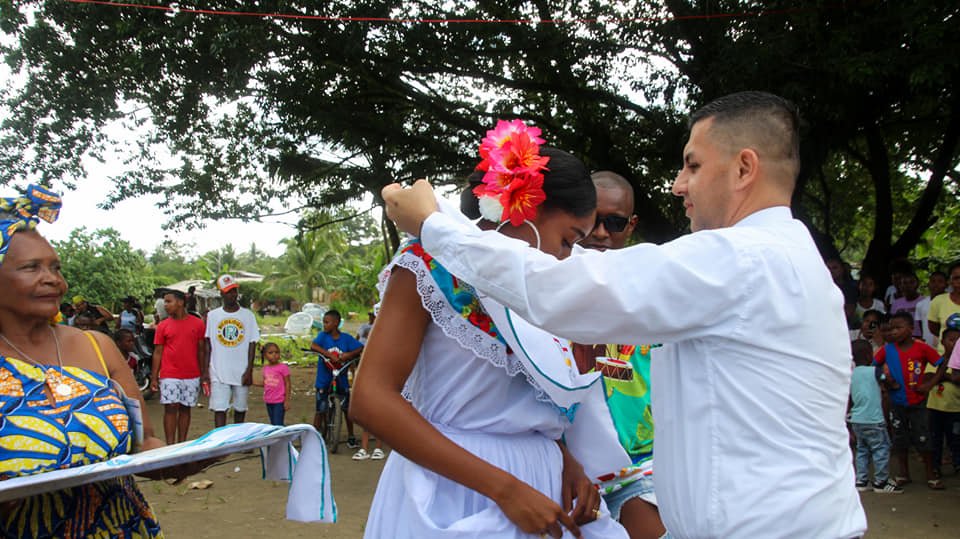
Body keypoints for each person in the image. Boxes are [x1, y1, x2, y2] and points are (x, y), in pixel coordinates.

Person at [382, 92, 867, 537]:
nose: (678, 186)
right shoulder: (785, 258)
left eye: (693, 166)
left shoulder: (741, 259)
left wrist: (434, 224)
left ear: (744, 169)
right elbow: (587, 272)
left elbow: (565, 288)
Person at [355, 125, 627, 539]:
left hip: (539, 491)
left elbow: (523, 405)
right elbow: (371, 399)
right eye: (568, 239)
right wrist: (504, 488)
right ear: (525, 208)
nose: (565, 256)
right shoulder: (432, 262)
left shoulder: (544, 290)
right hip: (457, 489)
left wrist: (563, 460)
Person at [0, 185, 169, 537]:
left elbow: (145, 442)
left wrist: (184, 459)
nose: (54, 280)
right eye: (32, 267)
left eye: (55, 267)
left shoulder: (96, 346)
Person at [574, 171, 664, 538]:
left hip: (643, 466)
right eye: (592, 219)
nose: (600, 233)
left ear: (632, 225)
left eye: (614, 222)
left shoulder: (655, 286)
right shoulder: (546, 287)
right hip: (568, 472)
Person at [873, 312, 943, 488]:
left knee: (923, 437)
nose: (894, 332)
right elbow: (873, 368)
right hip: (896, 402)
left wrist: (929, 384)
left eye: (898, 328)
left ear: (911, 329)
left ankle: (930, 474)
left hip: (918, 402)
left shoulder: (922, 348)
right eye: (891, 328)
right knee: (899, 438)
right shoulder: (887, 349)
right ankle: (904, 474)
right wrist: (885, 382)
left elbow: (941, 364)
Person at [150, 289, 207, 444]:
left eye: (169, 301)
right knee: (170, 408)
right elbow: (158, 352)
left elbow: (201, 350)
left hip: (191, 374)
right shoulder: (163, 326)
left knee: (185, 408)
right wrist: (154, 377)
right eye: (165, 302)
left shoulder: (198, 323)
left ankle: (182, 443)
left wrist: (203, 373)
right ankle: (170, 445)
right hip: (169, 374)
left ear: (180, 302)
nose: (165, 305)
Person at [205, 274, 260, 428]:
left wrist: (249, 369)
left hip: (241, 369)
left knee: (240, 407)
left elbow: (252, 343)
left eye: (234, 291)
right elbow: (208, 344)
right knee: (219, 408)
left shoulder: (248, 316)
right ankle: (221, 441)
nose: (232, 295)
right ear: (221, 294)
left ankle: (237, 439)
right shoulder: (212, 316)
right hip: (218, 369)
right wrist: (205, 371)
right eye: (228, 292)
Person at [849, 339, 902, 493]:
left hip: (857, 419)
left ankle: (861, 480)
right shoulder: (875, 371)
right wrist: (894, 384)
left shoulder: (851, 374)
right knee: (881, 449)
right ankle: (881, 481)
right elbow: (887, 381)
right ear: (868, 355)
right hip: (873, 419)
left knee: (862, 449)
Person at [311, 309, 362, 449]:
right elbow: (313, 346)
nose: (324, 325)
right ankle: (315, 436)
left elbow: (360, 348)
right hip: (324, 378)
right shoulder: (322, 336)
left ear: (336, 323)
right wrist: (328, 354)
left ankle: (351, 436)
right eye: (324, 322)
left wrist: (348, 355)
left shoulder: (346, 338)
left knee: (346, 408)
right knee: (320, 408)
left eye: (327, 322)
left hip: (341, 377)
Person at [926, 314, 960, 477]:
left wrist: (941, 377)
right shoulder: (936, 359)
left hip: (955, 408)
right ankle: (935, 467)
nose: (954, 344)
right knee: (935, 440)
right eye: (950, 340)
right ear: (942, 341)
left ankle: (957, 464)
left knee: (955, 440)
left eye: (957, 340)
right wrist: (947, 375)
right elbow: (927, 379)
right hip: (935, 407)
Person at [928, 261, 960, 353]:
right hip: (945, 356)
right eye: (956, 278)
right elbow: (934, 328)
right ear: (949, 281)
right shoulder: (938, 301)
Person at [258, 342, 290, 426]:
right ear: (265, 355)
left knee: (277, 423)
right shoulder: (265, 368)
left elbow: (288, 383)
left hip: (279, 401)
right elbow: (266, 383)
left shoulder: (283, 367)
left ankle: (284, 438)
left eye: (276, 352)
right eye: (270, 353)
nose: (274, 355)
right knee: (273, 423)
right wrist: (252, 382)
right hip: (268, 400)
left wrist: (287, 400)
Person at [916, 270, 947, 348]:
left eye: (940, 281)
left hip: (946, 345)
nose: (936, 284)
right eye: (933, 281)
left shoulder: (950, 302)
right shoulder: (921, 304)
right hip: (927, 345)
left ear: (946, 284)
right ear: (928, 284)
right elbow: (920, 327)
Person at [890, 273, 925, 338]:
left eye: (911, 282)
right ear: (900, 286)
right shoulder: (896, 303)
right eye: (905, 283)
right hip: (900, 338)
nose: (908, 285)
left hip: (919, 338)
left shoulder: (924, 302)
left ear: (917, 284)